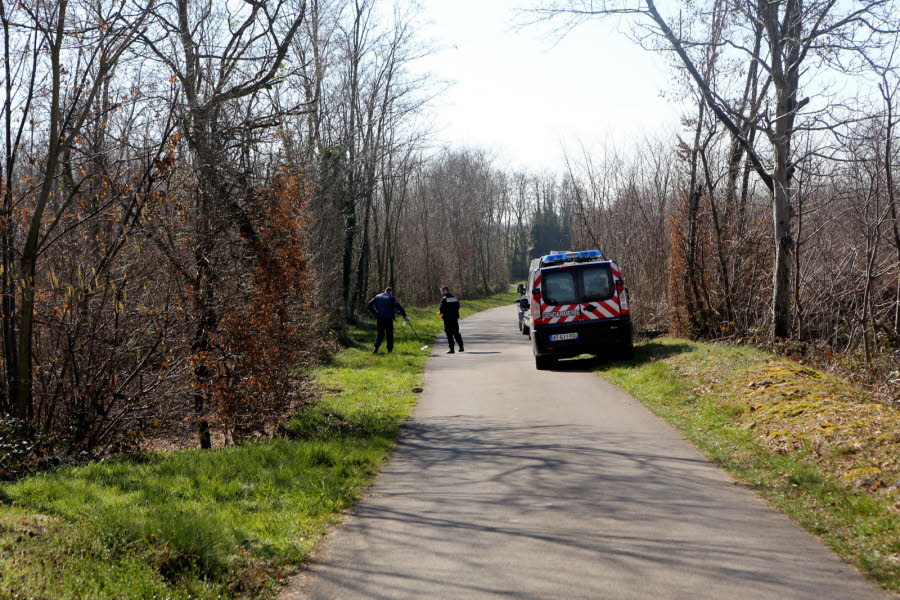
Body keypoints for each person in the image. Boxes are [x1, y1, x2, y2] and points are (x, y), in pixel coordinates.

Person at [367, 287, 407, 353]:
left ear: (385, 291)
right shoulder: (391, 298)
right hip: (388, 319)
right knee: (389, 335)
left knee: (380, 334)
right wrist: (405, 316)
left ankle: (376, 348)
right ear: (390, 292)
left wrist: (375, 313)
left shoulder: (377, 297)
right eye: (391, 293)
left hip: (380, 318)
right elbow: (399, 307)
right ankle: (389, 350)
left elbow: (369, 305)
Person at [438, 286, 464, 354]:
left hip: (447, 319)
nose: (441, 293)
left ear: (445, 290)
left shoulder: (444, 299)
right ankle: (461, 347)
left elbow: (441, 309)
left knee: (449, 334)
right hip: (454, 318)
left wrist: (440, 313)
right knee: (456, 333)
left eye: (442, 291)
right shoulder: (454, 297)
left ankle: (452, 349)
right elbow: (458, 307)